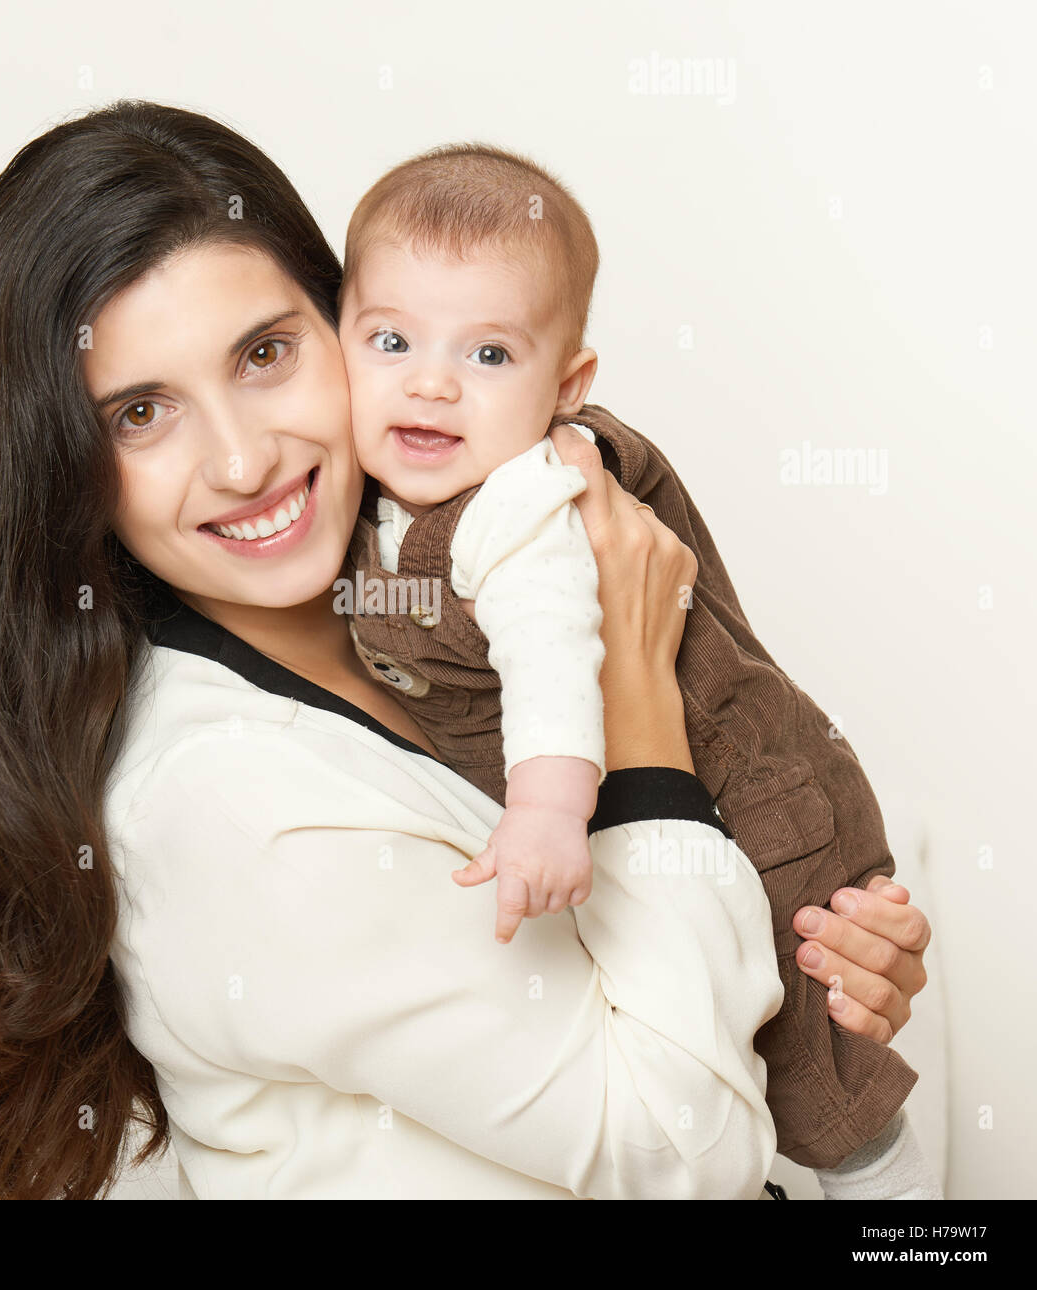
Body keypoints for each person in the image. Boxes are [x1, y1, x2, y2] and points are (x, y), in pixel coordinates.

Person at [0, 100, 934, 1201]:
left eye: (266, 353)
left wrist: (809, 966)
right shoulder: (232, 803)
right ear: (62, 464)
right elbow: (683, 1153)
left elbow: (652, 987)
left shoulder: (424, 604)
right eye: (141, 413)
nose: (241, 461)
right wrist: (636, 697)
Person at [335, 142, 941, 1196]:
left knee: (814, 1076)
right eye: (391, 341)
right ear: (339, 341)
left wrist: (543, 811)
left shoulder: (520, 503)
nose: (429, 382)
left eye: (487, 357)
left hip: (753, 814)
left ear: (565, 387)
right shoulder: (380, 509)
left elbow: (554, 651)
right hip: (662, 823)